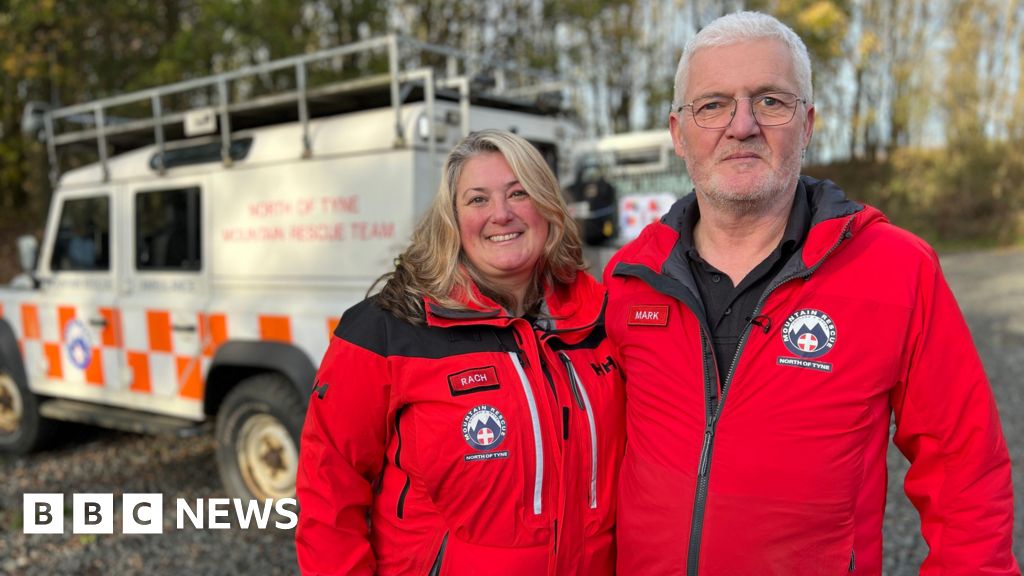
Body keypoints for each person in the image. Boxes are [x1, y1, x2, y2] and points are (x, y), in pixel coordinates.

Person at [603, 11, 1019, 575]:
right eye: (712, 104)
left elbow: (965, 472)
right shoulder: (628, 278)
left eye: (772, 101)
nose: (742, 124)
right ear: (679, 132)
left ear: (809, 125)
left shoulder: (896, 268)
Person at [296, 129, 625, 575]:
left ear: (548, 206)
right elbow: (328, 490)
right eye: (478, 200)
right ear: (452, 218)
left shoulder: (601, 319)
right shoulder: (387, 330)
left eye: (518, 193)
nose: (501, 214)